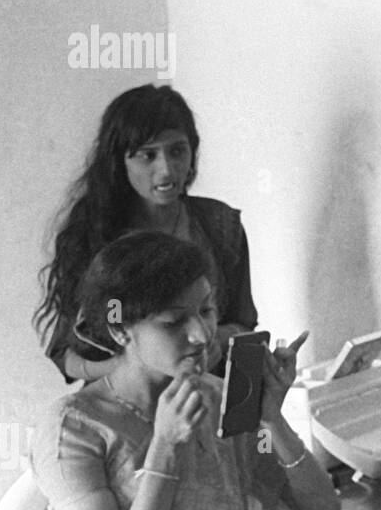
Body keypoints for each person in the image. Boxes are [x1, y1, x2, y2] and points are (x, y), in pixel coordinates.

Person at [30, 231, 342, 510]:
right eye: (174, 321)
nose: (202, 334)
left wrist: (271, 420)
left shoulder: (219, 399)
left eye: (207, 311)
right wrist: (163, 452)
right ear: (119, 329)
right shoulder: (74, 428)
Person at [36, 85, 258, 382]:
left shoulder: (219, 225)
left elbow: (244, 324)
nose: (166, 170)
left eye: (177, 151)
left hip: (206, 398)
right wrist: (132, 365)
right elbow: (67, 355)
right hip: (125, 406)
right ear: (119, 161)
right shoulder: (98, 236)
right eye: (147, 156)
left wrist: (216, 341)